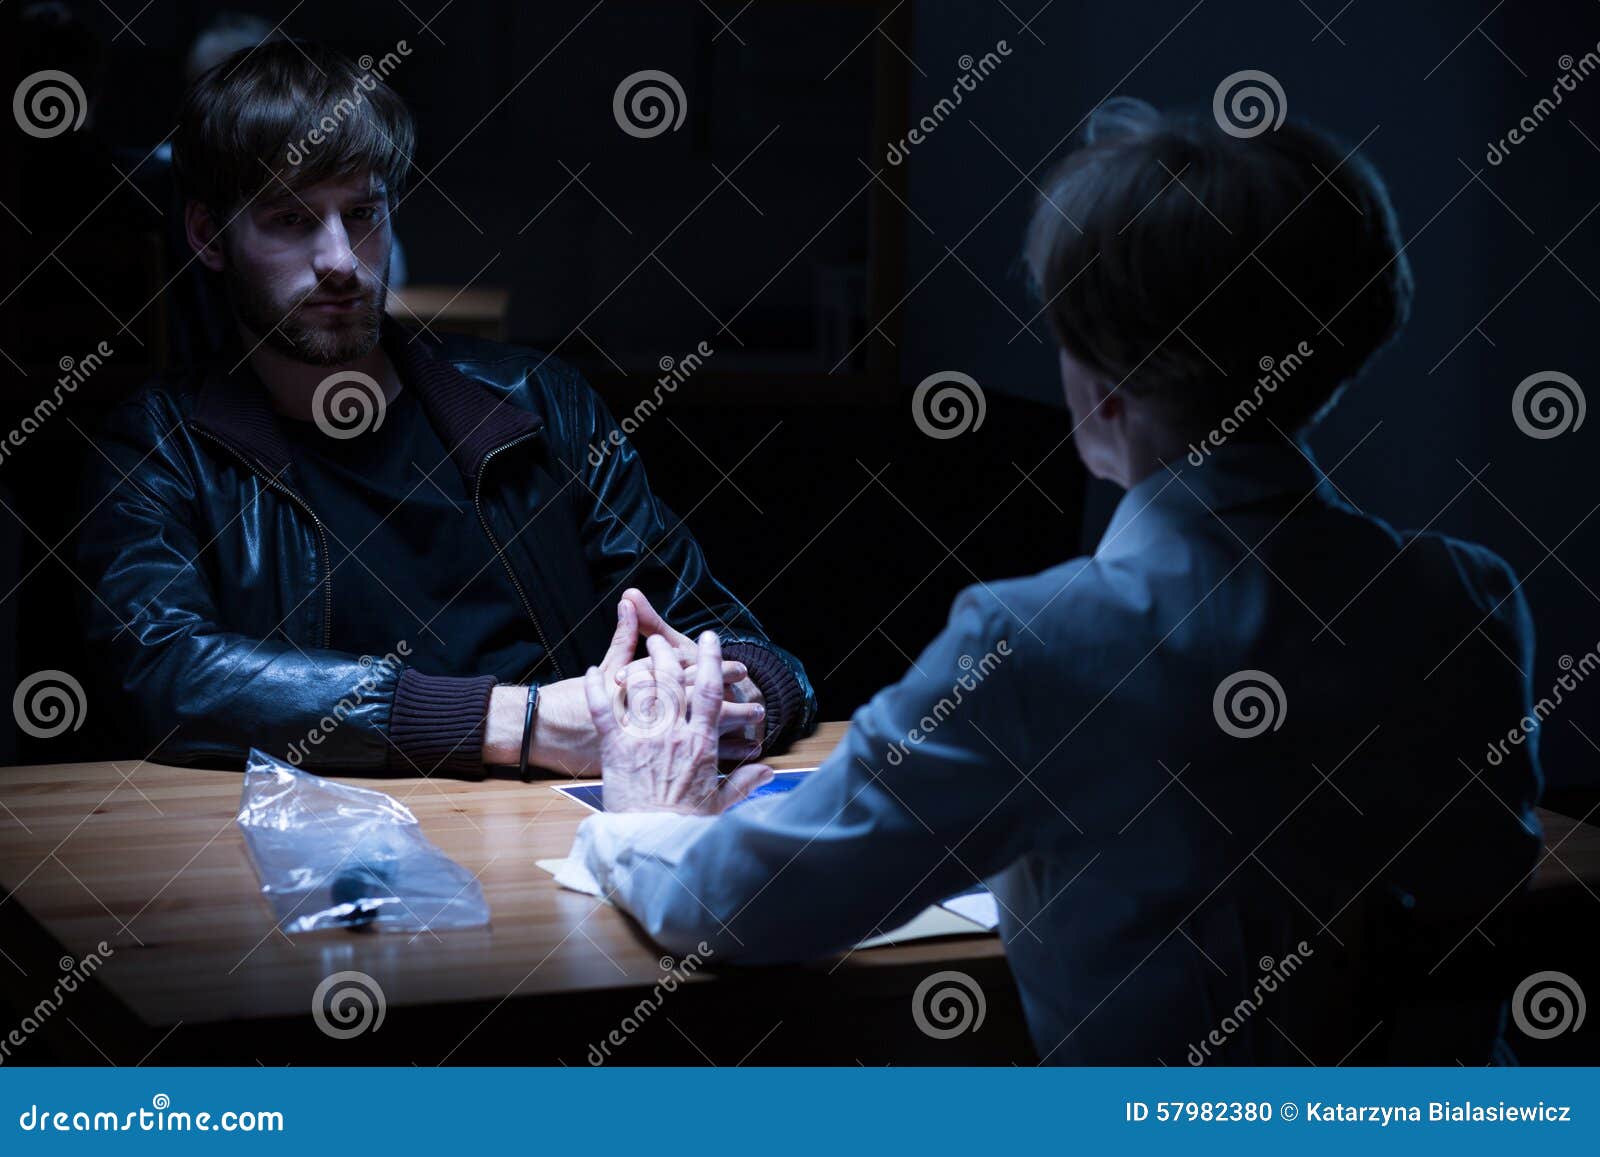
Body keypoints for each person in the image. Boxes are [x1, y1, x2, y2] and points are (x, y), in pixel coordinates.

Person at [558, 99, 1544, 1064]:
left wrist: (641, 818)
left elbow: (742, 904)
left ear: (1101, 379)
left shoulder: (1042, 642)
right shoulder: (1471, 596)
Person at [76, 41, 814, 777]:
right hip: (325, 854)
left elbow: (717, 628)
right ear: (209, 236)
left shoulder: (540, 406)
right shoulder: (160, 446)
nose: (340, 259)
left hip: (565, 834)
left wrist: (742, 694)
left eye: (362, 212)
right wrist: (519, 723)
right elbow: (165, 671)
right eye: (292, 220)